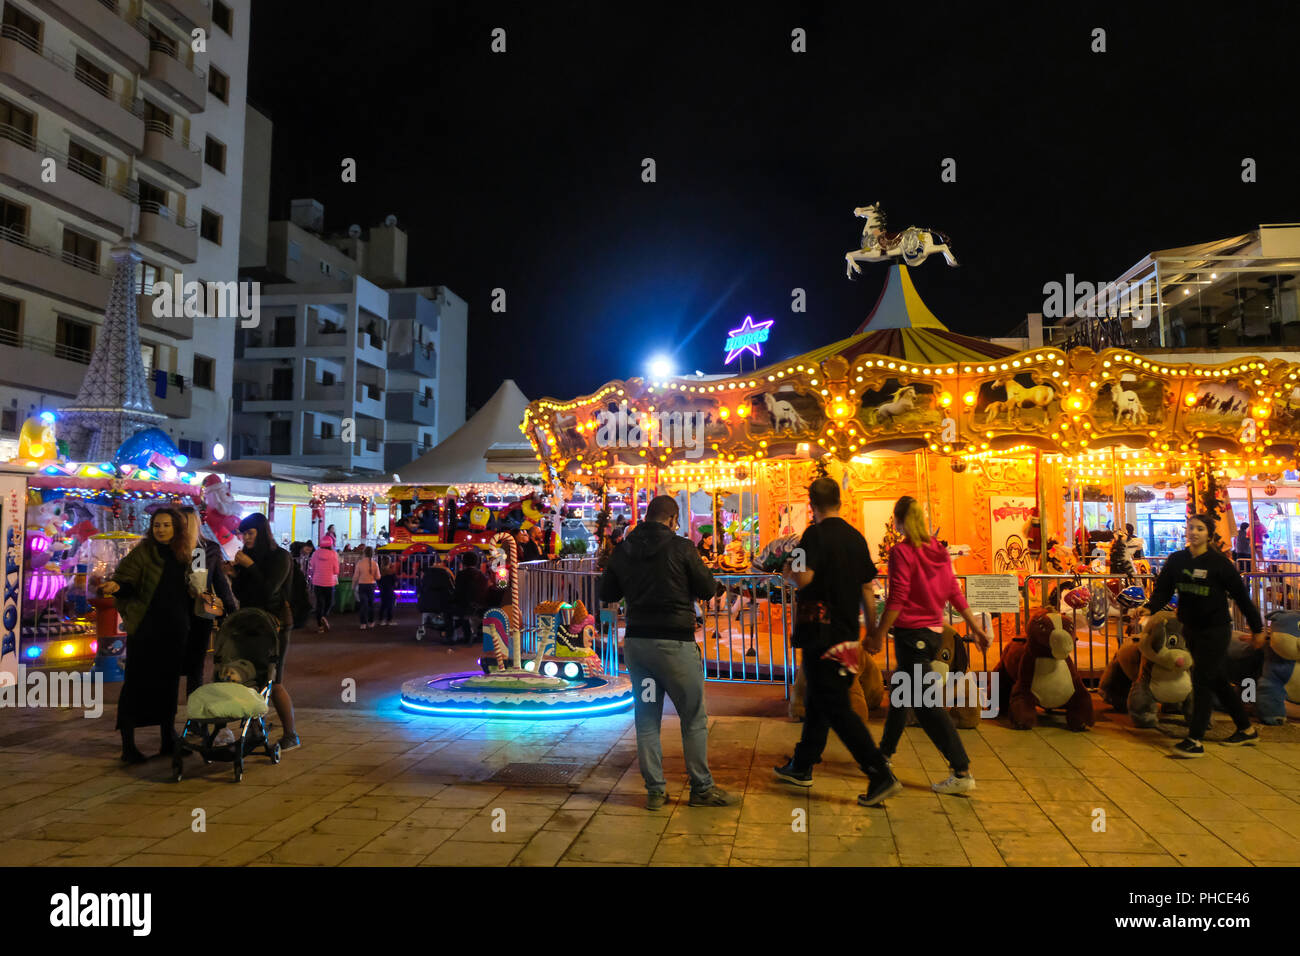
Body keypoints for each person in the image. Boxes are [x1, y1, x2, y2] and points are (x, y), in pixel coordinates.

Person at [599, 494, 734, 810]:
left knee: (647, 718)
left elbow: (607, 593)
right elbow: (706, 588)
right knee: (692, 716)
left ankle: (655, 791)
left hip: (639, 647)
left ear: (647, 517)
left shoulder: (624, 548)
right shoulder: (682, 547)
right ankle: (701, 789)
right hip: (675, 647)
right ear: (673, 520)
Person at [773, 478, 900, 807]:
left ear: (812, 504)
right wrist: (873, 632)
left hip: (819, 633)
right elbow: (867, 590)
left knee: (837, 707)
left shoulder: (812, 536)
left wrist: (786, 571)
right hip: (846, 635)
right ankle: (802, 764)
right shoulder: (855, 538)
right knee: (820, 698)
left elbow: (803, 578)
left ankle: (878, 772)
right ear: (839, 501)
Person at [873, 496, 992, 793]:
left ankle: (961, 769)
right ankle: (883, 755)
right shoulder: (938, 550)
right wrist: (975, 627)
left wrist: (878, 632)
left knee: (926, 705)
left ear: (898, 522)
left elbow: (898, 596)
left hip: (910, 635)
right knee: (902, 693)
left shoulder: (902, 551)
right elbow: (954, 590)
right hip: (933, 632)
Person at [1133, 513, 1264, 757]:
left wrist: (1257, 629)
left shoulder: (1219, 564)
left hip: (1215, 629)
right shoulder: (1177, 560)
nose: (1194, 532)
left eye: (1200, 529)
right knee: (1216, 679)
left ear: (1209, 534)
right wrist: (1149, 607)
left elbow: (1242, 598)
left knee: (1202, 680)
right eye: (1191, 528)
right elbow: (1164, 590)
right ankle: (1246, 730)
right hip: (1190, 627)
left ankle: (1195, 739)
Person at [100, 508, 191, 763]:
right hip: (147, 629)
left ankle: (167, 738)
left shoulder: (185, 554)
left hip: (174, 629)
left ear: (177, 529)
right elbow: (126, 580)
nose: (160, 529)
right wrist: (116, 586)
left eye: (166, 525)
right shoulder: (143, 553)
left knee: (169, 684)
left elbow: (194, 586)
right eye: (157, 525)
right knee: (136, 685)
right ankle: (128, 745)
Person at [229, 514, 300, 751]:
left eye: (250, 533)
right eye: (243, 534)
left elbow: (270, 589)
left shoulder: (280, 556)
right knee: (250, 677)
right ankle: (254, 731)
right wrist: (236, 574)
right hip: (250, 621)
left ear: (261, 532)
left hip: (275, 623)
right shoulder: (247, 557)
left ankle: (291, 734)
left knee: (274, 679)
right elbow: (243, 593)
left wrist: (250, 566)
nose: (246, 538)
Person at [179, 506, 236, 697]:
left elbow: (219, 582)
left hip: (198, 614)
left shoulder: (206, 549)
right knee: (172, 667)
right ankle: (169, 721)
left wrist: (230, 611)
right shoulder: (169, 549)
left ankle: (195, 719)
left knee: (196, 666)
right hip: (173, 614)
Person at [308, 534, 340, 632]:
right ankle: (324, 616)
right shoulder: (334, 554)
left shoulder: (315, 553)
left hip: (317, 582)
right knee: (329, 602)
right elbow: (336, 570)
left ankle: (320, 627)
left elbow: (312, 566)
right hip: (329, 582)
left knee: (319, 603)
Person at [353, 545, 380, 629]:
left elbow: (355, 576)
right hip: (371, 585)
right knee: (371, 604)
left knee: (363, 605)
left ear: (364, 553)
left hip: (362, 585)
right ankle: (371, 622)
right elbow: (378, 577)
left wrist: (353, 586)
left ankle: (363, 623)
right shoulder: (375, 564)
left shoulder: (360, 563)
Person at [377, 552, 398, 626]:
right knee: (390, 605)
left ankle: (381, 620)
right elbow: (395, 582)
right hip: (390, 589)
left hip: (382, 589)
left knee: (383, 605)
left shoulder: (380, 571)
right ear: (389, 562)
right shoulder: (391, 572)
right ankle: (389, 620)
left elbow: (378, 580)